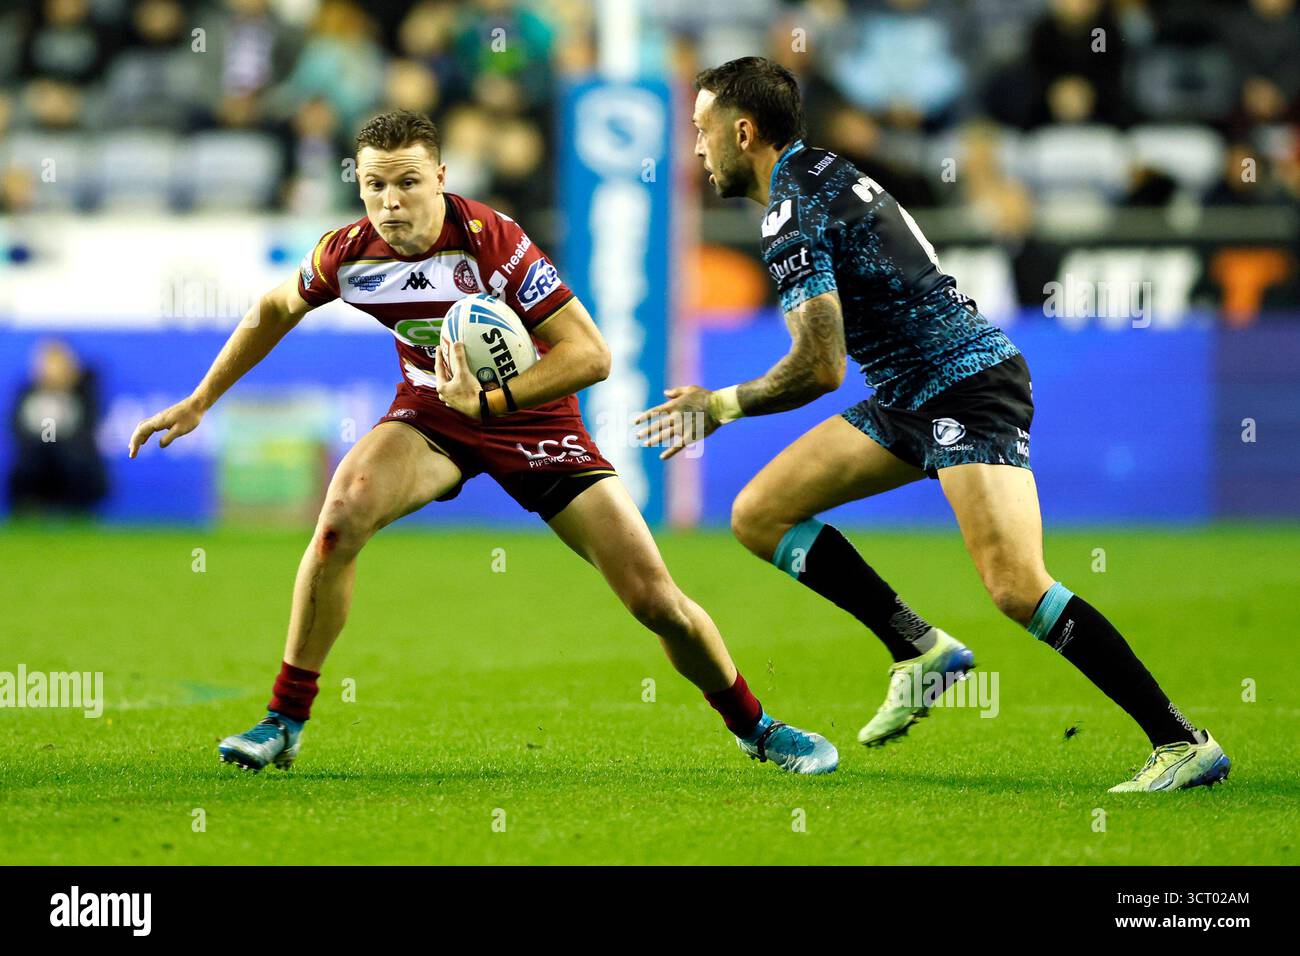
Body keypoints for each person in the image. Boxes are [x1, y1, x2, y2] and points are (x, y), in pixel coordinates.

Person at [127, 108, 836, 776]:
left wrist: (492, 399)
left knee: (654, 600)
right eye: (375, 185)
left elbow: (591, 356)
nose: (391, 201)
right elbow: (274, 308)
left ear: (441, 178)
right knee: (341, 519)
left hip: (537, 424)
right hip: (433, 418)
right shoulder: (348, 254)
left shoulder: (491, 241)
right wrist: (200, 399)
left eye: (408, 182)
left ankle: (756, 727)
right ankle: (282, 722)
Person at [637, 58, 1228, 792]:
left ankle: (1179, 741)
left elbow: (819, 367)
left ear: (743, 131)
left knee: (1016, 587)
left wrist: (719, 405)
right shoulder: (823, 170)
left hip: (966, 387)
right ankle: (919, 650)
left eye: (701, 130)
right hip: (909, 393)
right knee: (761, 514)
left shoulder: (792, 212)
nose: (695, 148)